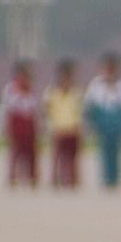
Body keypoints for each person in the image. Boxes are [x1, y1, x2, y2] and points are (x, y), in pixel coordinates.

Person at [84, 52, 121, 190]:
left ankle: (115, 178)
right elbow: (90, 105)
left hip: (117, 120)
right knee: (104, 150)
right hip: (103, 119)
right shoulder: (96, 85)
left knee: (116, 151)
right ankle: (106, 178)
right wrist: (91, 123)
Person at [2, 60, 42, 188]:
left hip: (29, 122)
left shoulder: (32, 90)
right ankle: (13, 176)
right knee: (16, 151)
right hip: (17, 121)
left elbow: (35, 108)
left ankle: (32, 177)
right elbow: (9, 108)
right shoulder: (11, 89)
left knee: (31, 152)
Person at [44, 59, 83, 190]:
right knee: (57, 158)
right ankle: (56, 179)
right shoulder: (52, 93)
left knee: (73, 158)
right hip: (58, 129)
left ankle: (73, 181)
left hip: (72, 128)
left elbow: (79, 112)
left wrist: (78, 127)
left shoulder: (76, 93)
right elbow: (48, 112)